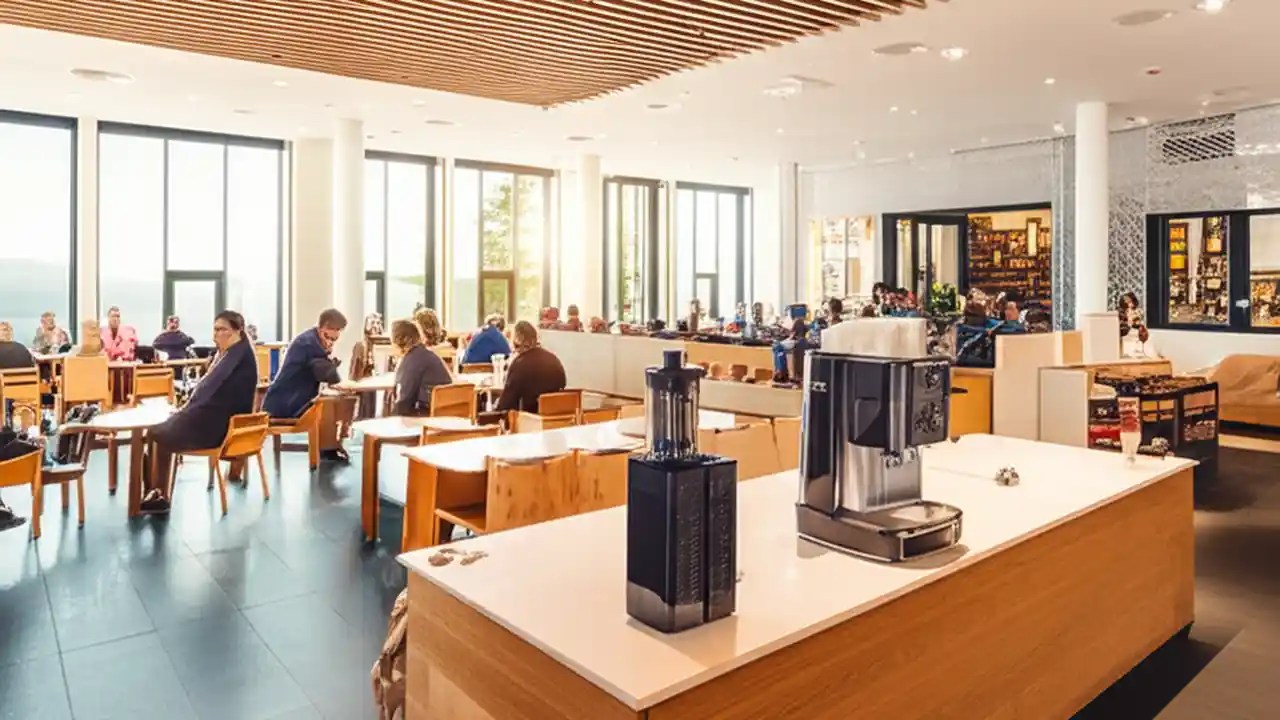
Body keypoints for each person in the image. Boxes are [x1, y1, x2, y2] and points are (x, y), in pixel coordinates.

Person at [141, 310, 258, 514]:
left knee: (155, 433)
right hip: (215, 419)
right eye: (215, 330)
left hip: (215, 426)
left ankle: (158, 492)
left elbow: (206, 391)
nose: (216, 335)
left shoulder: (235, 356)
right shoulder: (231, 353)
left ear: (238, 332)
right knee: (158, 431)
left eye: (222, 330)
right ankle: (156, 491)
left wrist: (182, 412)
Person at [262, 309, 349, 462]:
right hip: (286, 402)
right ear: (322, 328)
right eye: (330, 334)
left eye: (336, 334)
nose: (332, 340)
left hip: (292, 397)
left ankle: (331, 445)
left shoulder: (313, 339)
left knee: (334, 401)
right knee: (328, 404)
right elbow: (327, 374)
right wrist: (330, 363)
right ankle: (328, 449)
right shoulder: (308, 344)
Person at [495, 321, 567, 413]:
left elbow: (505, 405)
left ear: (515, 342)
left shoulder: (519, 364)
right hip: (557, 418)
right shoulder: (554, 360)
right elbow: (562, 385)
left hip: (529, 420)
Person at [389, 320, 452, 416]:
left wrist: (390, 420)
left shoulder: (411, 360)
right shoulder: (426, 354)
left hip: (425, 415)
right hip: (446, 414)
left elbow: (404, 400)